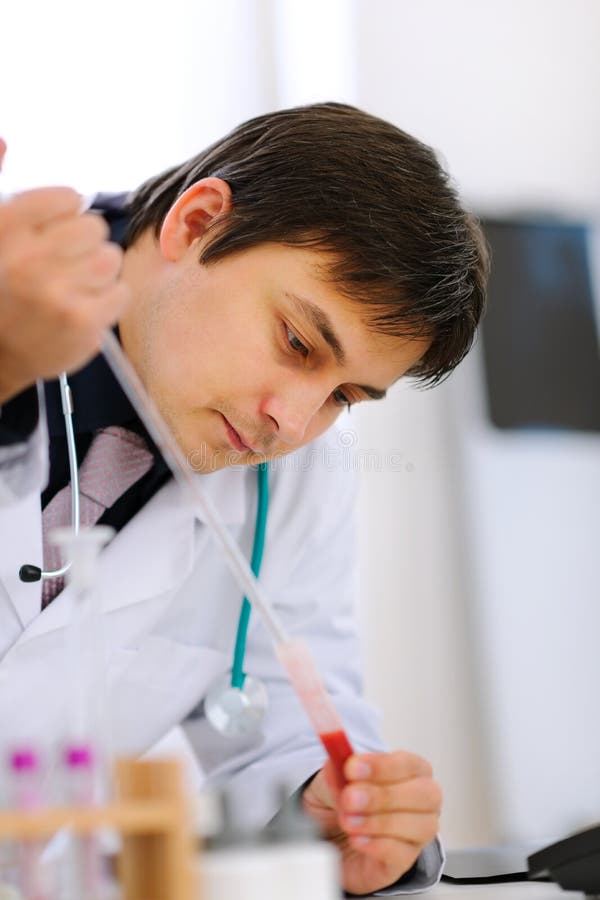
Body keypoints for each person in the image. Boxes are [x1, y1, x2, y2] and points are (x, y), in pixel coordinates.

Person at [0, 104, 488, 895]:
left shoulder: (295, 484)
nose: (291, 422)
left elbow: (282, 711)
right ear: (196, 224)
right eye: (298, 342)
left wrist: (327, 811)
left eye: (345, 397)